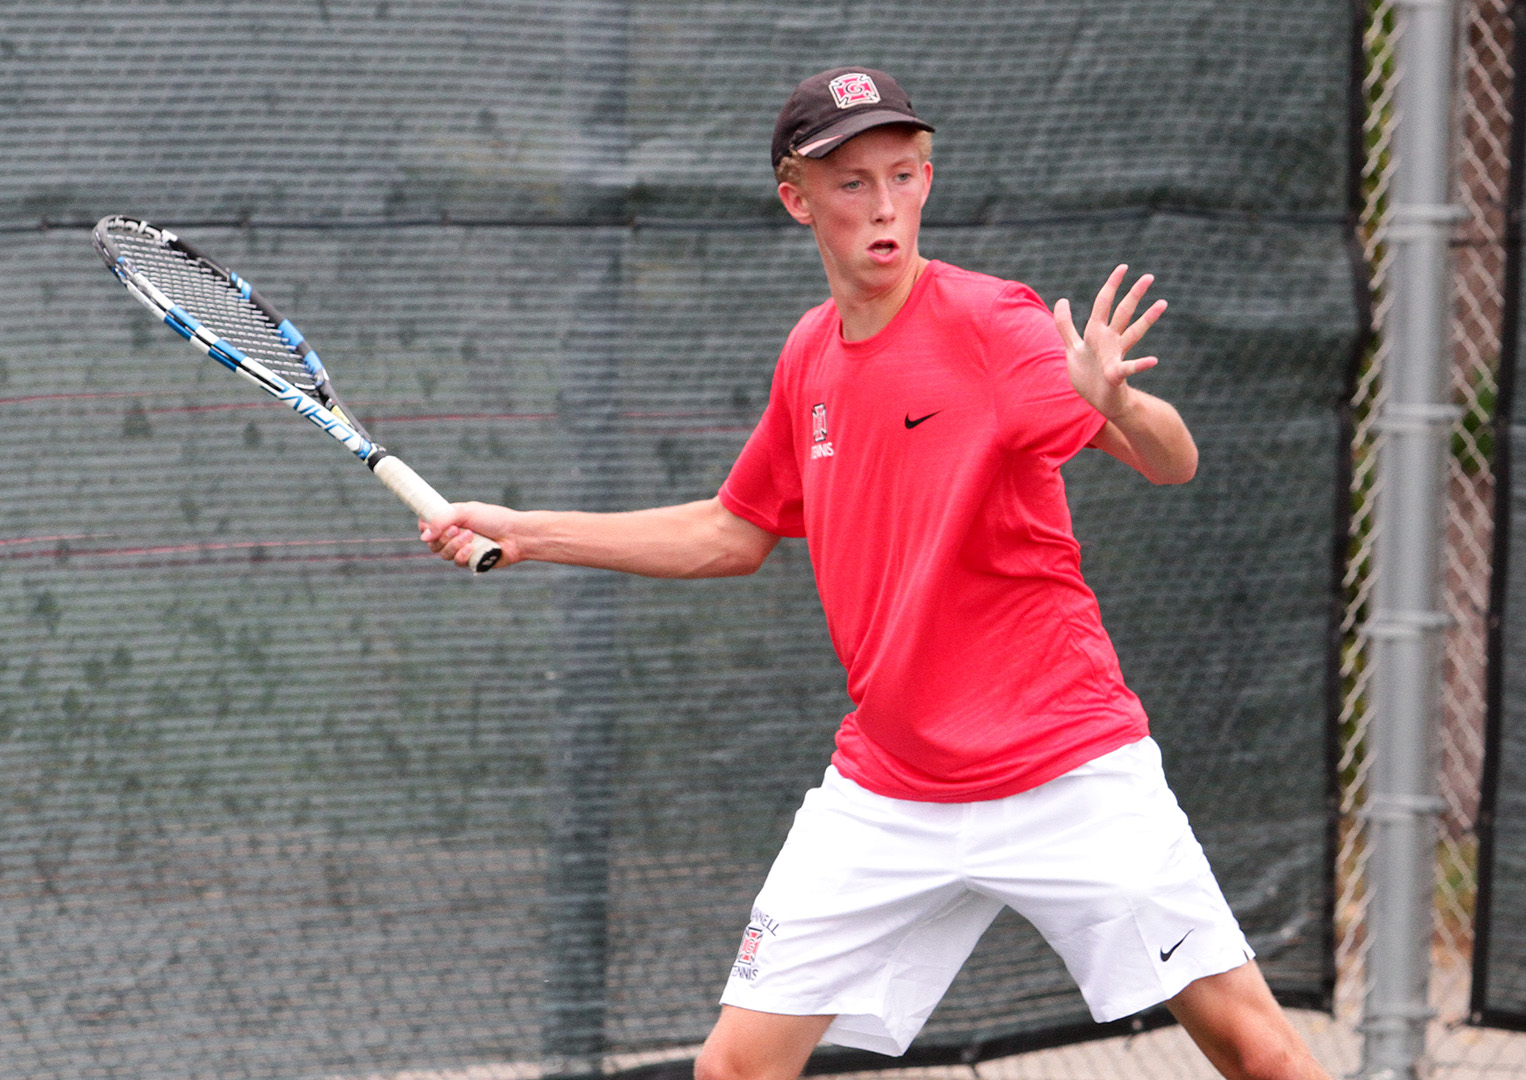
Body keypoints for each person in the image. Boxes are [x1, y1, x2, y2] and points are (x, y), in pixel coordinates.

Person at [422, 67, 1331, 1080]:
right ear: (796, 197)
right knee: (733, 1068)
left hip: (1066, 765)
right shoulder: (809, 355)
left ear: (928, 181)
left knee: (1259, 1054)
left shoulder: (998, 326)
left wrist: (1118, 404)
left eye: (904, 175)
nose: (884, 204)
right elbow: (734, 531)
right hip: (892, 786)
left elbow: (1173, 461)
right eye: (852, 183)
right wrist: (531, 531)